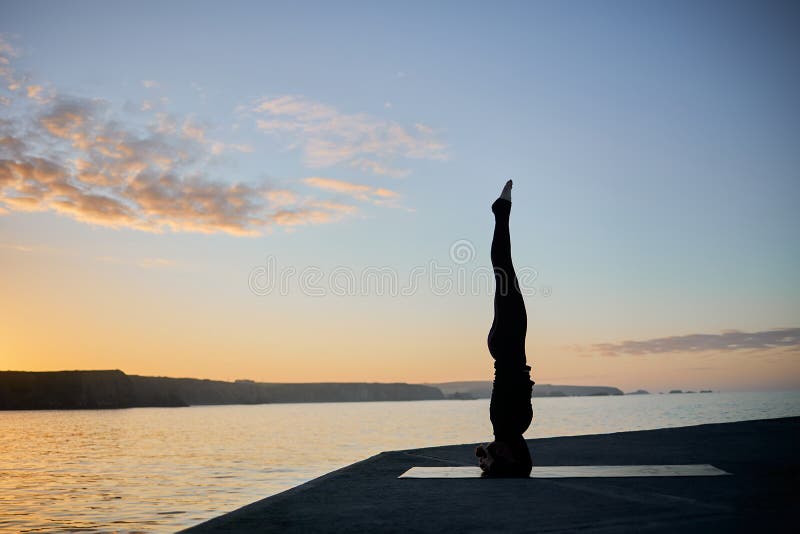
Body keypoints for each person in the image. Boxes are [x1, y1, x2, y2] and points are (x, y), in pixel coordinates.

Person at [475, 180, 534, 477]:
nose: (490, 456)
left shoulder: (511, 425)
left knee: (503, 267)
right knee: (502, 270)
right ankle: (501, 212)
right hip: (503, 347)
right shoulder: (503, 426)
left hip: (510, 344)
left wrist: (491, 457)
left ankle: (502, 212)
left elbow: (522, 385)